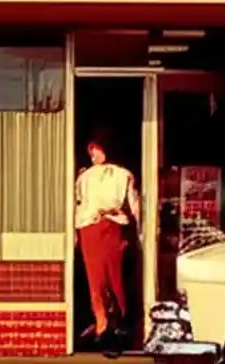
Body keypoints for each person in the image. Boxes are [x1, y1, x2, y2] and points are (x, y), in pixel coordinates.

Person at [74, 131, 142, 351]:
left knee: (114, 278)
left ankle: (117, 322)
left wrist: (139, 232)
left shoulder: (122, 175)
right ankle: (104, 325)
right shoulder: (85, 177)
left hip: (111, 228)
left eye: (96, 149)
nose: (93, 155)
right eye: (91, 151)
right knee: (98, 280)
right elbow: (78, 205)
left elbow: (134, 206)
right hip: (92, 229)